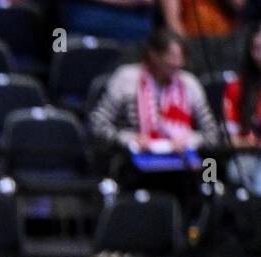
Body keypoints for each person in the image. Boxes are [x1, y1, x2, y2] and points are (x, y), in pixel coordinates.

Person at [90, 28, 221, 157]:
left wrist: (189, 140)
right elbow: (98, 125)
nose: (177, 63)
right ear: (153, 54)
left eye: (180, 57)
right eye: (171, 57)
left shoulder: (189, 83)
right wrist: (129, 139)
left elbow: (211, 134)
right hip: (132, 159)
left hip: (181, 159)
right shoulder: (126, 78)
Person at [223, 23, 261, 192]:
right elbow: (229, 139)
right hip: (249, 155)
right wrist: (250, 142)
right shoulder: (236, 87)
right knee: (233, 170)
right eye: (256, 48)